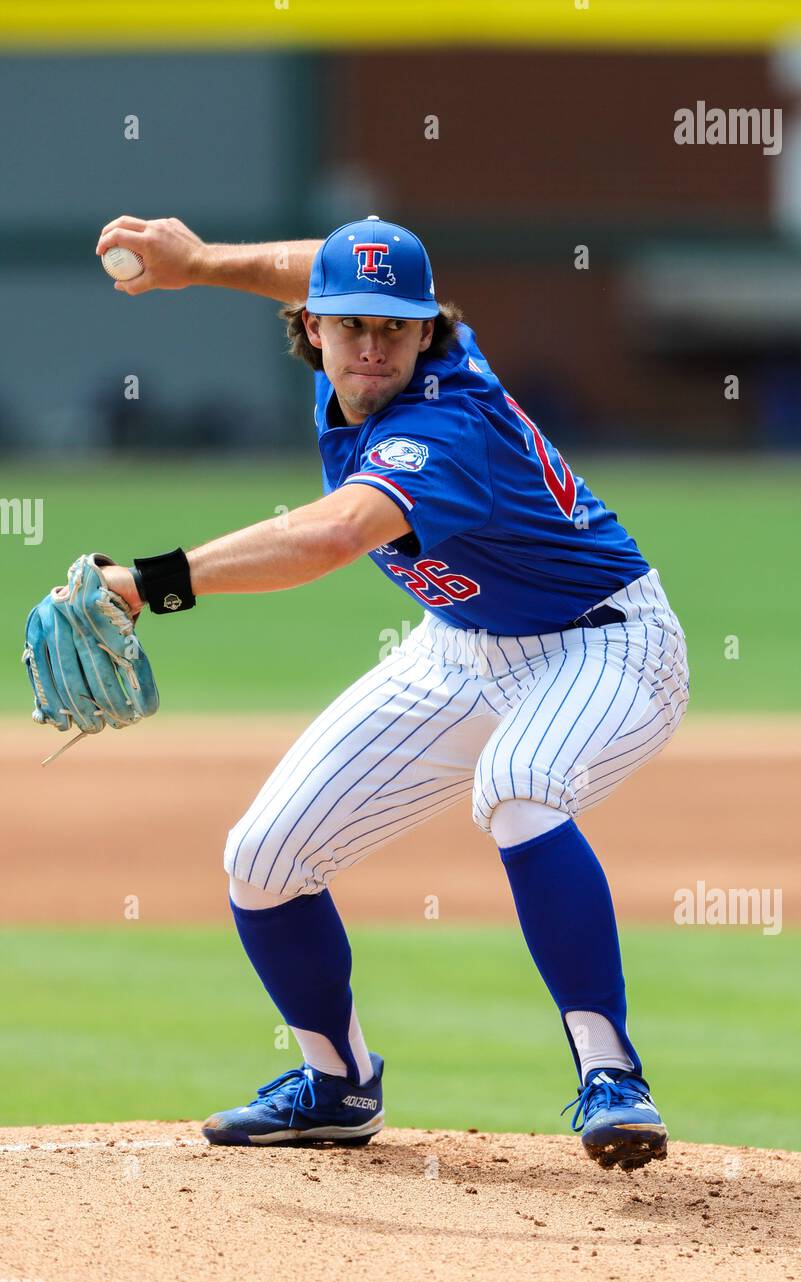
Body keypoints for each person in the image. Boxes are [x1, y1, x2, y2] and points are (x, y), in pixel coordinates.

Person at [94, 212, 689, 1171]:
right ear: (314, 327)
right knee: (264, 857)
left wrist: (147, 582)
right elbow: (308, 268)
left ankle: (610, 1074)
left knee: (521, 783)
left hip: (605, 646)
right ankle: (336, 1086)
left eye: (395, 328)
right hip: (458, 649)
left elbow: (327, 538)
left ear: (428, 333)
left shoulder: (444, 424)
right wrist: (200, 263)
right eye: (350, 324)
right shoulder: (351, 335)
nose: (372, 347)